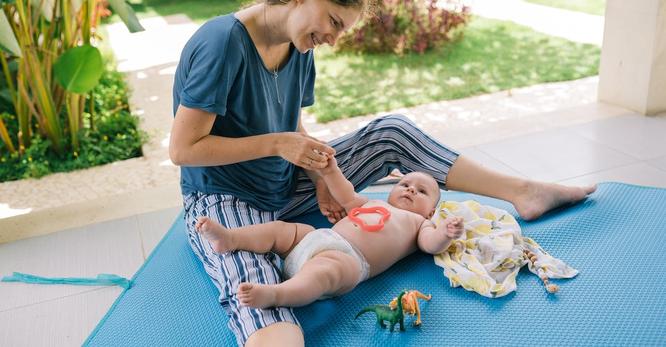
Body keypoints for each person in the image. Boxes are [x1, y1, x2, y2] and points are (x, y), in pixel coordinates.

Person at [169, 0, 596, 345]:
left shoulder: (300, 48)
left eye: (341, 30)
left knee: (391, 131)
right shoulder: (223, 41)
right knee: (257, 290)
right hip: (226, 196)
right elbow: (183, 149)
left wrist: (320, 175)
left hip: (285, 181)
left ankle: (522, 191)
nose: (332, 39)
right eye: (334, 22)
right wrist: (280, 145)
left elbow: (292, 129)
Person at [195, 158, 464, 309]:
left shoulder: (420, 224)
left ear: (430, 212)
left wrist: (446, 232)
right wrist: (330, 171)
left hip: (351, 260)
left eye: (422, 191)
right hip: (318, 238)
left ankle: (277, 294)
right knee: (283, 231)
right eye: (405, 183)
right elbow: (345, 194)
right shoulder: (372, 203)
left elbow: (431, 245)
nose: (410, 190)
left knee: (325, 272)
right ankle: (231, 238)